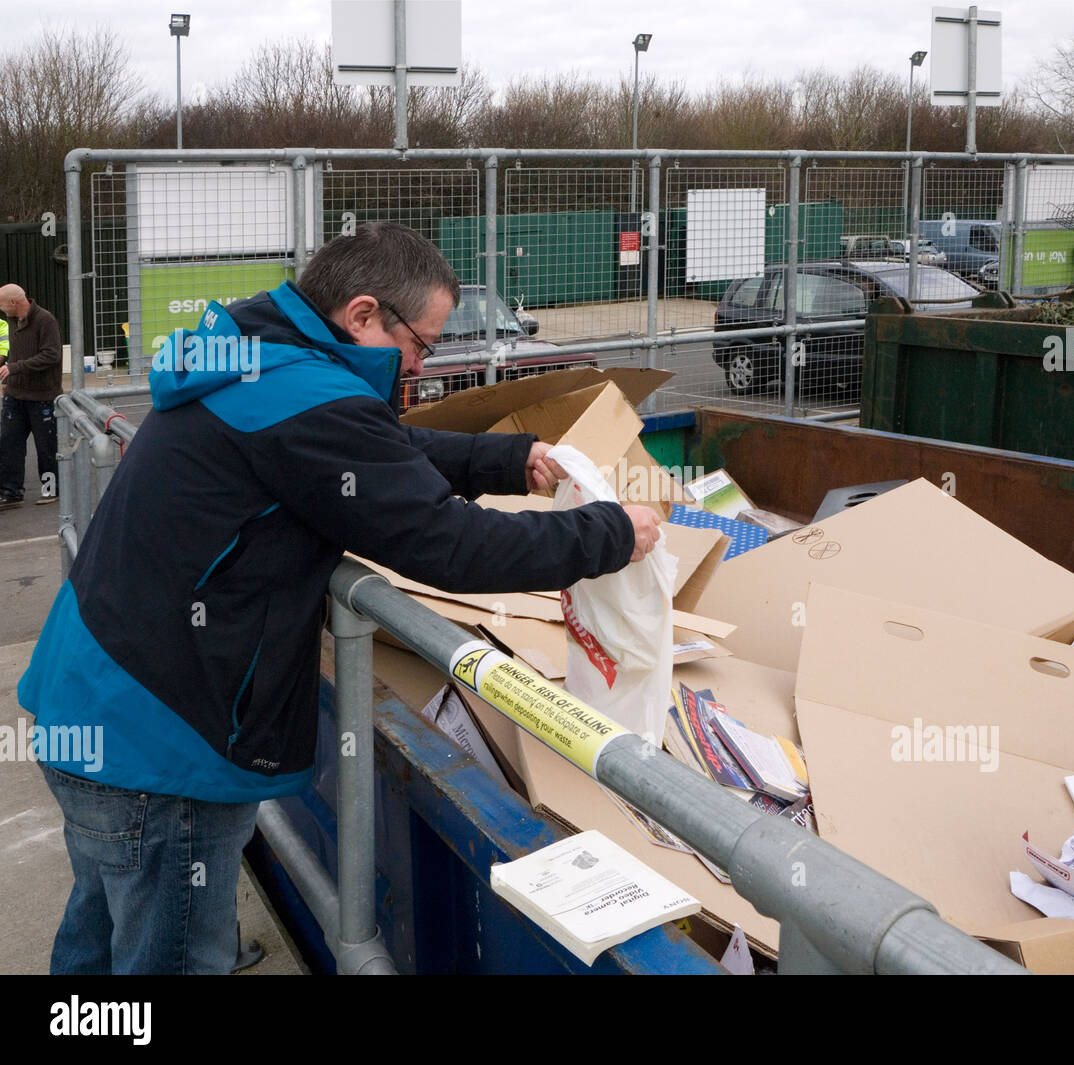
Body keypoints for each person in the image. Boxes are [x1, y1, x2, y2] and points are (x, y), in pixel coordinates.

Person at [18, 222, 662, 975]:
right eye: (420, 344)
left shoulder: (262, 360)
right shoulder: (307, 397)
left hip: (96, 704)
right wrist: (609, 533)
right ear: (362, 315)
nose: (420, 366)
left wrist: (510, 458)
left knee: (98, 942)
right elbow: (444, 542)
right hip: (163, 747)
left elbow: (379, 452)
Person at [0, 284, 62, 508]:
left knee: (46, 447)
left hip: (42, 397)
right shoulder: (14, 323)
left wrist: (15, 367)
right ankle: (10, 492)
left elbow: (51, 355)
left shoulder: (45, 320)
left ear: (13, 303)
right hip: (15, 395)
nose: (0, 308)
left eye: (1, 303)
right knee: (8, 443)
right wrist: (7, 367)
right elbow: (16, 356)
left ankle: (50, 490)